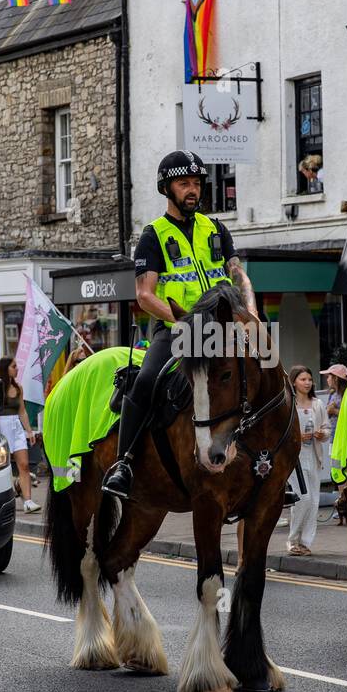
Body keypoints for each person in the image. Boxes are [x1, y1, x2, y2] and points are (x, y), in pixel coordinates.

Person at [100, 149, 259, 499]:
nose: (193, 190)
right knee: (145, 381)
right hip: (175, 328)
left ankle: (271, 463)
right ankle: (123, 463)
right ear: (167, 189)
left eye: (196, 183)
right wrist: (185, 322)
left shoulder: (215, 228)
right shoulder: (153, 236)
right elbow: (145, 295)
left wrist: (252, 313)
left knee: (264, 375)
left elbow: (238, 275)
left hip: (223, 327)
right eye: (184, 183)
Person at [286, 365, 330, 556]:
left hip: (314, 457)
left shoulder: (317, 404)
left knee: (313, 501)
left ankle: (304, 542)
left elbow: (327, 427)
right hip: (294, 460)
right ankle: (292, 540)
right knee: (302, 498)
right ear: (294, 381)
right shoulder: (289, 404)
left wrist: (322, 434)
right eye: (303, 379)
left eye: (309, 380)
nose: (307, 383)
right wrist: (297, 437)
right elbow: (282, 432)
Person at [0, 357, 41, 514]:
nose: (17, 369)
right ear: (5, 368)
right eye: (14, 366)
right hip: (1, 426)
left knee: (24, 465)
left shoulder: (19, 387)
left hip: (17, 428)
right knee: (3, 467)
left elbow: (22, 411)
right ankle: (8, 496)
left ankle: (28, 501)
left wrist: (29, 431)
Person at [321, 363, 347, 524]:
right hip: (334, 438)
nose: (327, 379)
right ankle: (343, 503)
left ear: (337, 379)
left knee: (344, 471)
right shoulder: (332, 395)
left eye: (329, 376)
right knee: (337, 472)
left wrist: (334, 411)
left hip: (345, 439)